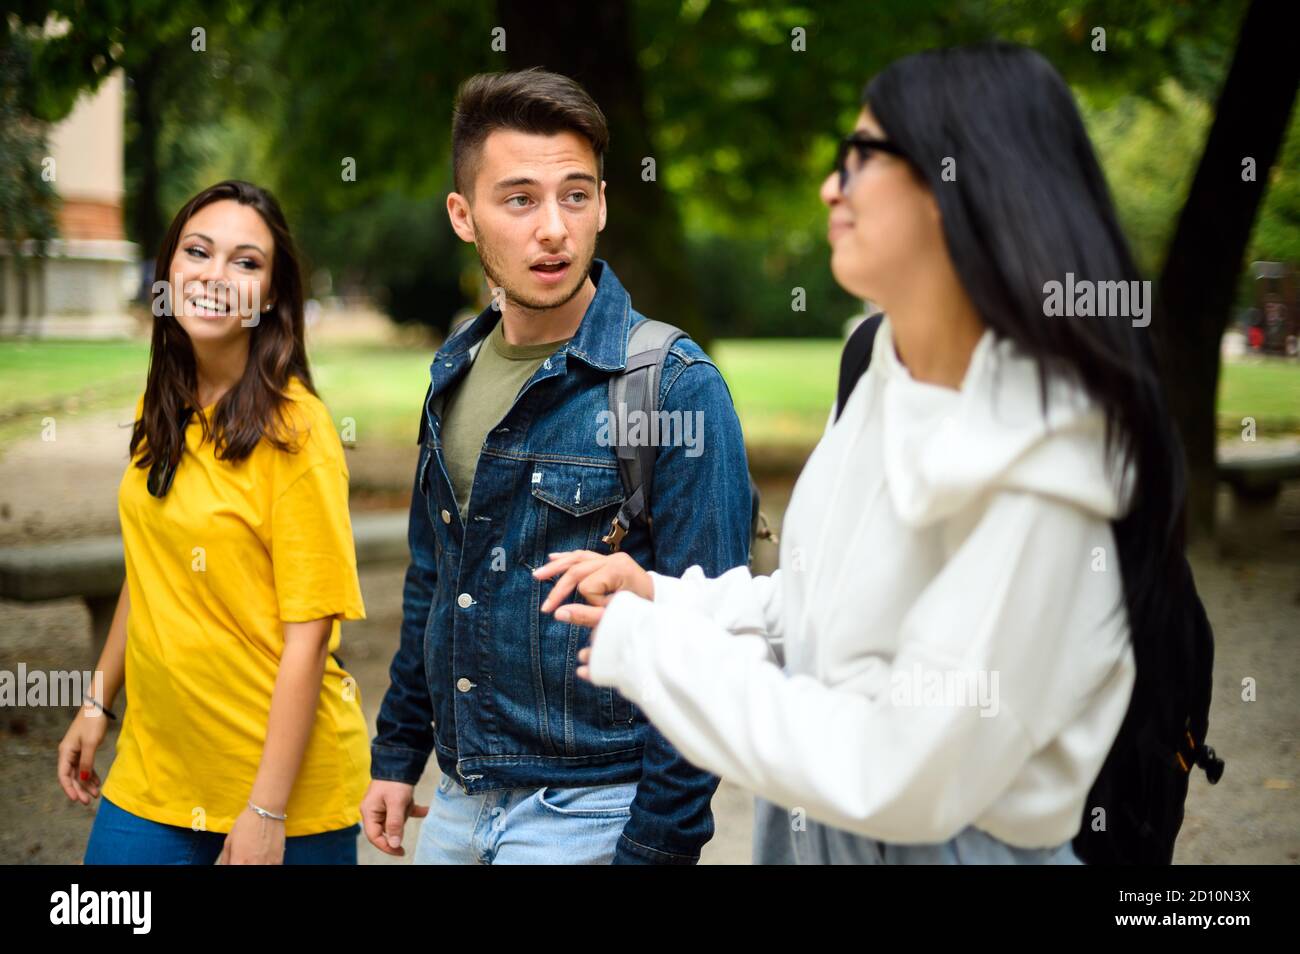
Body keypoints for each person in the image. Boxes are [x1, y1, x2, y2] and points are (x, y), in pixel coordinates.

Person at [536, 44, 1189, 864]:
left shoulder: (1046, 468)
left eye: (861, 158)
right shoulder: (890, 373)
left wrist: (658, 652)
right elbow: (824, 614)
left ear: (957, 183)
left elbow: (900, 772)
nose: (829, 188)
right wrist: (668, 601)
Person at [362, 69, 752, 865]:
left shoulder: (674, 385)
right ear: (463, 217)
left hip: (593, 812)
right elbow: (435, 577)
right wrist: (398, 756)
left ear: (604, 204)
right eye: (519, 200)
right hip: (459, 804)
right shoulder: (455, 373)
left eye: (575, 196)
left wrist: (654, 847)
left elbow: (710, 642)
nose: (553, 229)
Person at [59, 180, 369, 865]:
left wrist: (266, 810)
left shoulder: (298, 433)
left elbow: (310, 637)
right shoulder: (162, 402)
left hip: (285, 792)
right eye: (198, 251)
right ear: (169, 268)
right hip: (152, 777)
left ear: (272, 297)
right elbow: (151, 571)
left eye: (246, 262)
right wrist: (96, 703)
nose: (215, 275)